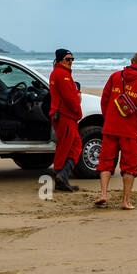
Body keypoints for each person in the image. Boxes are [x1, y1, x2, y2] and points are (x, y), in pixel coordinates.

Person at [95, 52, 137, 209]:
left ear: (131, 61)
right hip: (130, 130)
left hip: (111, 127)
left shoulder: (115, 76)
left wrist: (108, 118)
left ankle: (103, 194)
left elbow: (105, 99)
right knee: (129, 165)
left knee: (106, 162)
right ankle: (126, 201)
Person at [47, 49, 82, 192]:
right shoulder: (62, 74)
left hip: (61, 115)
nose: (71, 61)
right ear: (61, 60)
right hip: (65, 116)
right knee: (70, 147)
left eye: (72, 59)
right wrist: (78, 112)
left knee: (68, 146)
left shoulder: (58, 73)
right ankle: (62, 175)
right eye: (68, 59)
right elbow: (69, 97)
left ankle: (62, 178)